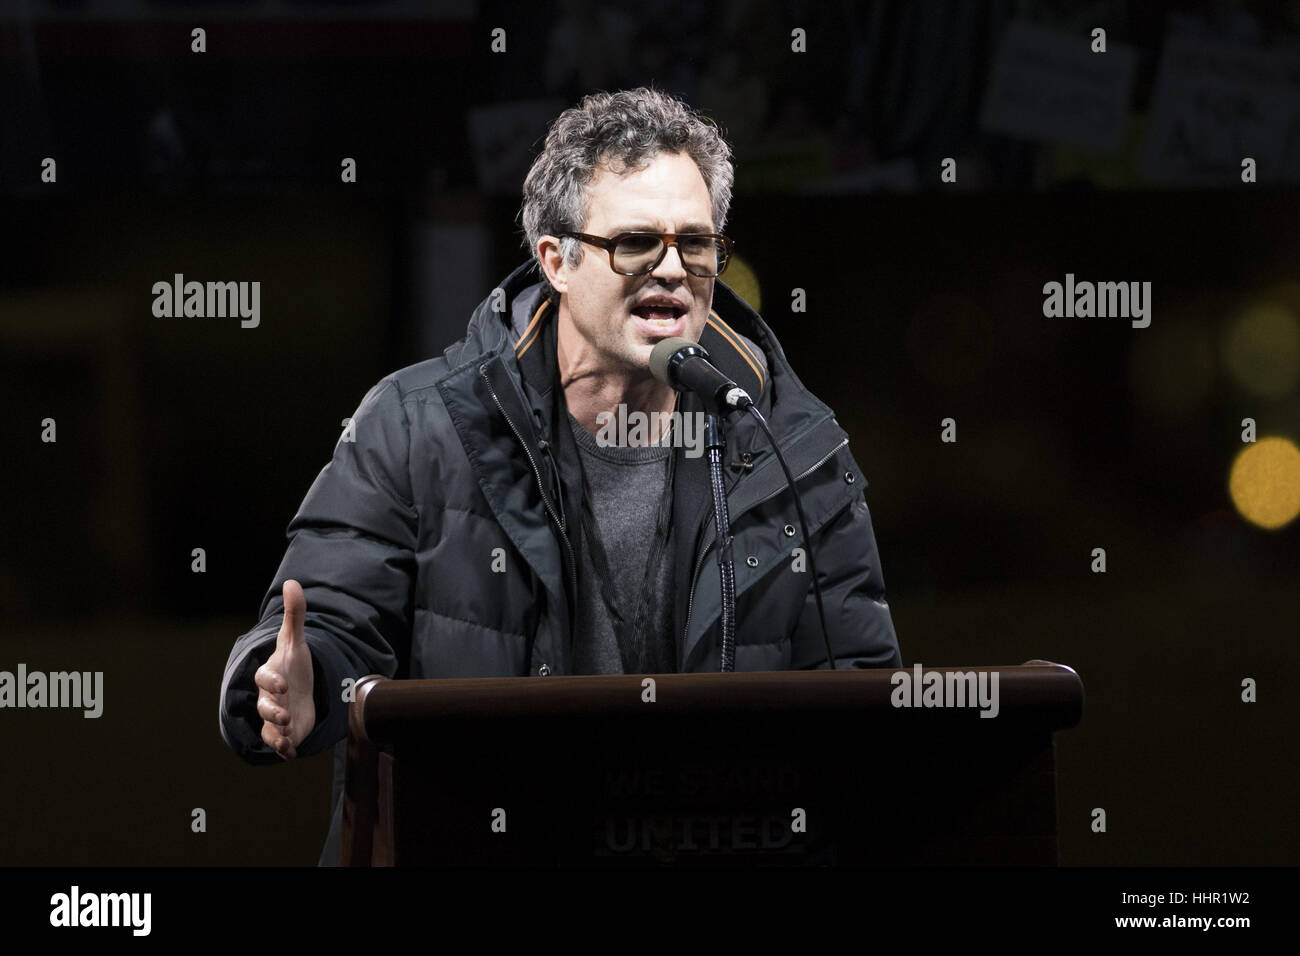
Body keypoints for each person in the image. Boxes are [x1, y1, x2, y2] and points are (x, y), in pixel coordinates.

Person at [218, 87, 901, 866]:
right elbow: (329, 627)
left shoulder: (792, 444)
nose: (673, 270)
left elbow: (864, 705)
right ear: (556, 261)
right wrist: (297, 682)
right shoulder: (417, 426)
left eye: (697, 243)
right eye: (638, 242)